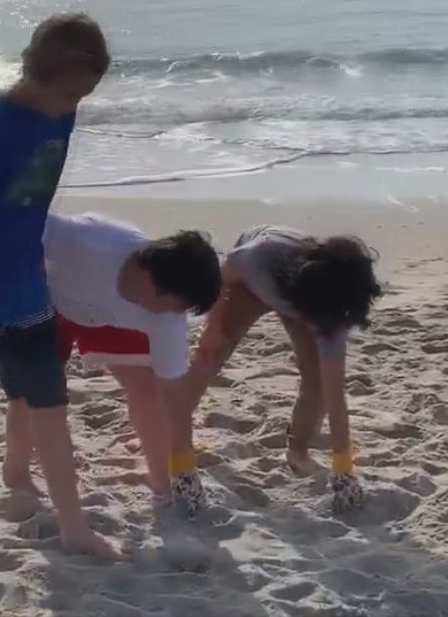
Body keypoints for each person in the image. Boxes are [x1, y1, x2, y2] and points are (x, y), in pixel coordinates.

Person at [0, 13, 119, 559]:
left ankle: (74, 525)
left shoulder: (64, 114)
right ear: (41, 75)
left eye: (85, 94)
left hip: (27, 287)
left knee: (49, 405)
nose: (75, 104)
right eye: (71, 92)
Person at [186, 225, 382, 513]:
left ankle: (297, 452)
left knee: (316, 379)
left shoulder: (337, 309)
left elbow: (335, 394)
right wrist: (214, 327)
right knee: (209, 355)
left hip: (308, 296)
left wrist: (343, 466)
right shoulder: (256, 259)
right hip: (245, 285)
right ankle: (172, 435)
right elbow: (224, 275)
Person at [40, 212, 221, 515]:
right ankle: (16, 471)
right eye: (177, 305)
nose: (175, 314)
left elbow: (176, 402)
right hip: (48, 297)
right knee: (37, 393)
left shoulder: (167, 317)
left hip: (108, 315)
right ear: (150, 278)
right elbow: (17, 224)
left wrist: (185, 470)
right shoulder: (82, 239)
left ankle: (163, 484)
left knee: (147, 388)